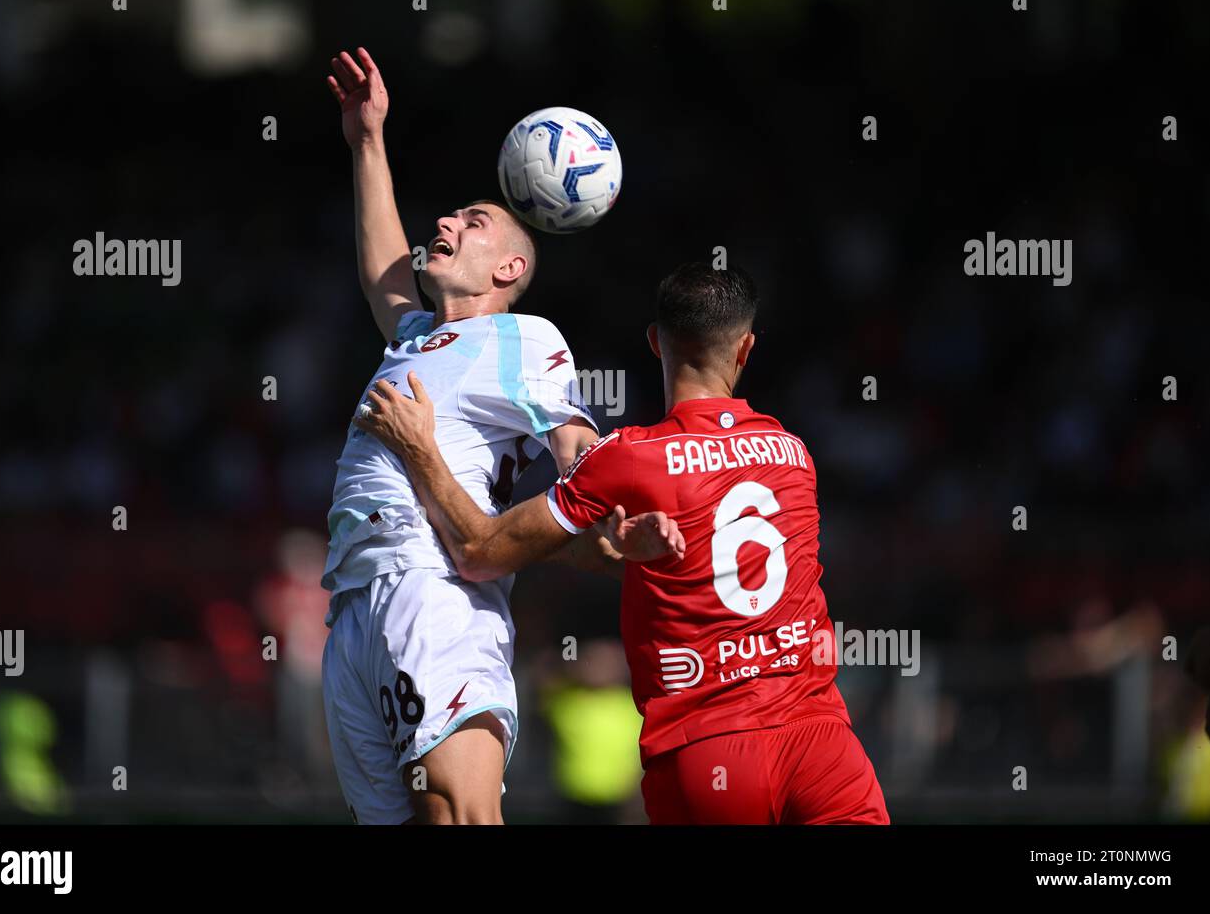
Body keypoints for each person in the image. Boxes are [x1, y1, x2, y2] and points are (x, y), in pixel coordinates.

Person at [356, 261, 889, 824]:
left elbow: (478, 553)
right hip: (822, 747)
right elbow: (719, 564)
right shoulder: (795, 455)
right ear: (746, 348)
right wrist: (622, 555)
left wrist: (420, 450)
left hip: (709, 751)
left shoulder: (628, 459)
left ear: (656, 343)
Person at [320, 48, 675, 824]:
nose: (444, 222)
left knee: (460, 813)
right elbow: (383, 267)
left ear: (508, 266)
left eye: (471, 222)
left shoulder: (524, 337)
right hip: (351, 601)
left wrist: (611, 513)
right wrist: (368, 141)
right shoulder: (413, 336)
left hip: (432, 585)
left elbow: (575, 447)